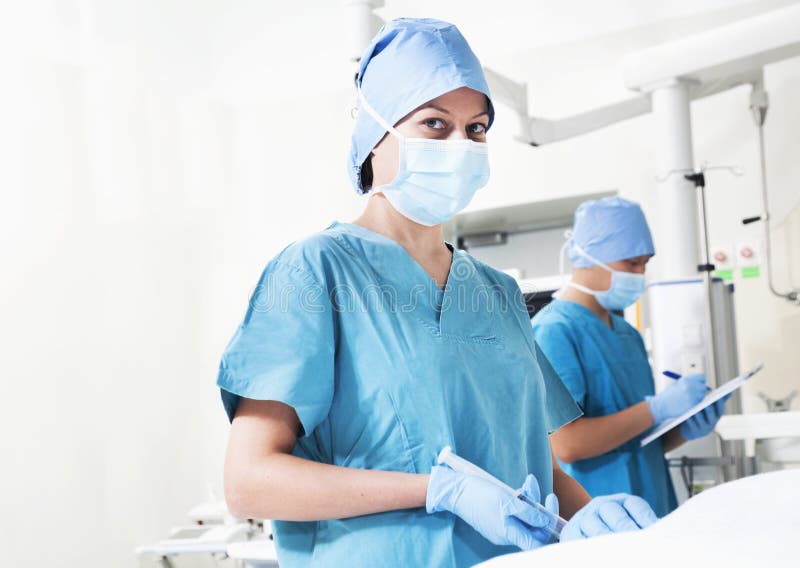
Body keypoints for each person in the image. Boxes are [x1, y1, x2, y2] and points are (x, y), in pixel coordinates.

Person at [218, 19, 657, 568]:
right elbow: (249, 482)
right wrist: (435, 489)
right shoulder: (316, 272)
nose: (461, 145)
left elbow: (528, 465)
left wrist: (592, 518)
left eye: (476, 129)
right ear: (374, 135)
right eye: (434, 124)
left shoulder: (496, 293)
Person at [531, 196, 729, 517]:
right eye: (631, 263)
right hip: (600, 517)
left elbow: (637, 444)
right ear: (589, 256)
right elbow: (566, 444)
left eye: (645, 264)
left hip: (653, 509)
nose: (640, 274)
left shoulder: (627, 335)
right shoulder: (554, 331)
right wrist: (656, 408)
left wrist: (684, 428)